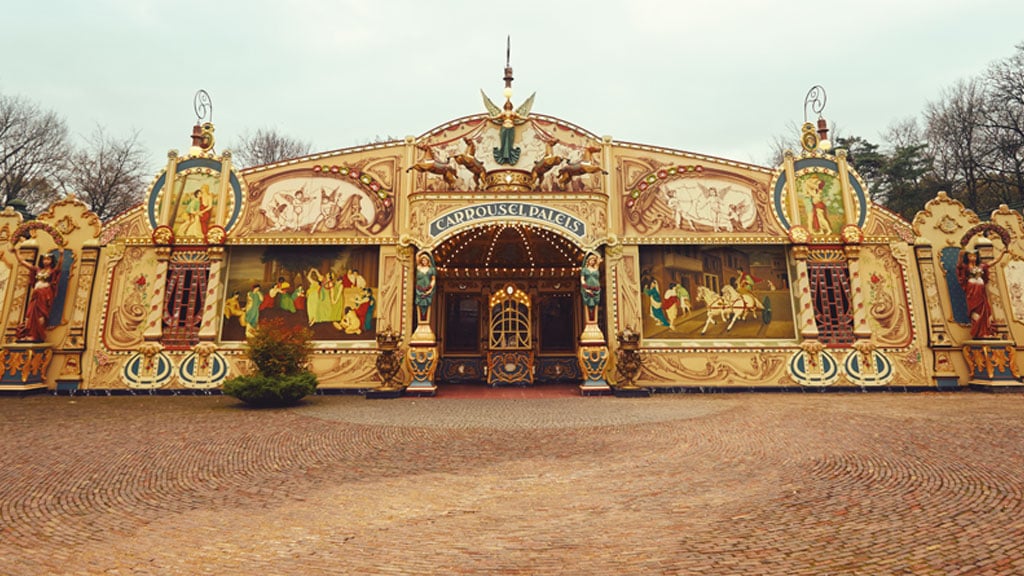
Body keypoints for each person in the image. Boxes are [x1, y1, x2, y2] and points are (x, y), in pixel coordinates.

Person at [14, 249, 62, 342]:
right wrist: (16, 252)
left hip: (44, 295)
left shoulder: (52, 271)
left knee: (40, 314)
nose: (46, 261)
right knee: (29, 314)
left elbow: (59, 266)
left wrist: (61, 254)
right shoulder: (37, 270)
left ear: (52, 261)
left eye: (48, 259)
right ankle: (29, 333)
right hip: (35, 295)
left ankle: (36, 335)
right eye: (44, 259)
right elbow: (22, 262)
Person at [957, 250, 995, 339]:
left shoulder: (981, 266)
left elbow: (991, 263)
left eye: (974, 256)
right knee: (976, 311)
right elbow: (959, 266)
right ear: (967, 257)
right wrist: (960, 256)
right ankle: (979, 333)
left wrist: (1002, 254)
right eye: (970, 256)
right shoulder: (966, 267)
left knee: (985, 309)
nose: (973, 258)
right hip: (972, 291)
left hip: (981, 292)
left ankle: (986, 332)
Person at [414, 251, 436, 321]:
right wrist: (424, 250)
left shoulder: (431, 269)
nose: (424, 261)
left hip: (427, 289)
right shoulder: (418, 267)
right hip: (419, 289)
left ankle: (426, 321)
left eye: (425, 260)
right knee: (419, 304)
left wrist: (430, 289)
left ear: (428, 260)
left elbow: (433, 280)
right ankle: (420, 321)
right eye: (423, 260)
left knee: (427, 304)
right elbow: (417, 256)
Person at [580, 252, 602, 322]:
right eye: (591, 260)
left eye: (594, 260)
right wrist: (585, 288)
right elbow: (582, 279)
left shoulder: (596, 268)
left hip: (596, 288)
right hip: (587, 288)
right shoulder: (584, 270)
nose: (593, 262)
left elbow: (599, 257)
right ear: (588, 260)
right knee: (587, 304)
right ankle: (589, 322)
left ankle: (595, 321)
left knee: (596, 303)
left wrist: (592, 250)